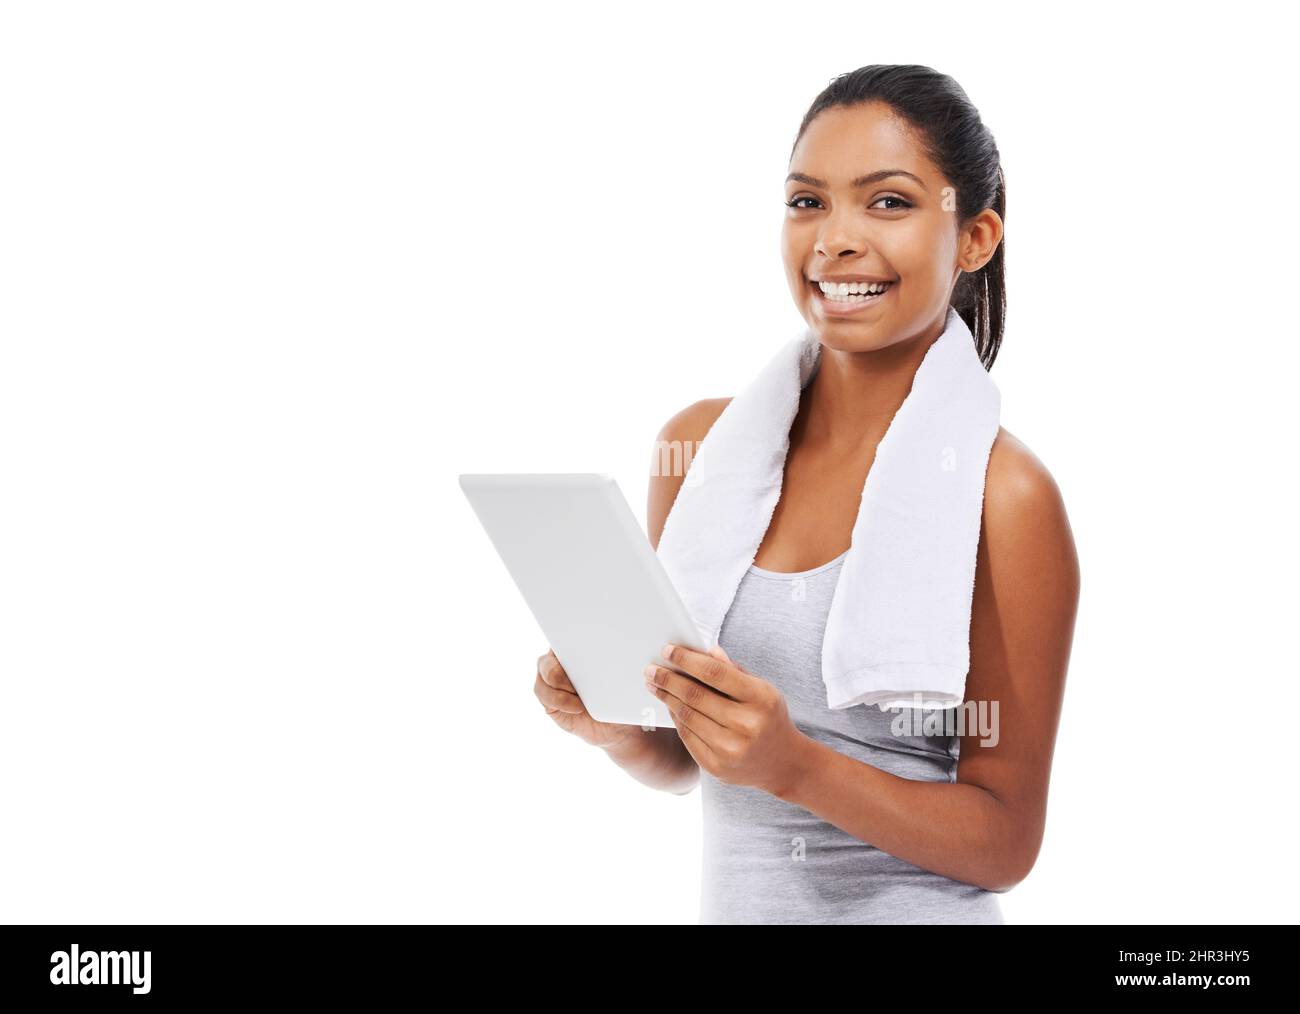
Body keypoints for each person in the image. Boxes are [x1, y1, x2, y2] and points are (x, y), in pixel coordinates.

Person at [532, 64, 1079, 924]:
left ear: (973, 238)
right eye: (806, 201)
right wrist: (618, 730)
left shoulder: (1003, 495)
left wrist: (799, 765)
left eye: (889, 202)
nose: (835, 240)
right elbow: (691, 757)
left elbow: (1007, 840)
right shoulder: (700, 450)